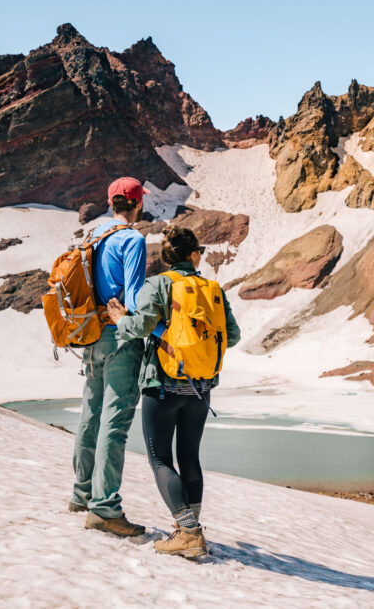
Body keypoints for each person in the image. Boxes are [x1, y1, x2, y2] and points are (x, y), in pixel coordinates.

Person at [107, 226, 240, 559]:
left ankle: (189, 534)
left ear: (167, 257)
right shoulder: (213, 289)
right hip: (201, 387)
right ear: (193, 255)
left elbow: (139, 327)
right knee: (190, 457)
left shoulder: (158, 284)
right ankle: (187, 528)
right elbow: (233, 336)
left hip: (162, 384)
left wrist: (122, 319)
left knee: (160, 459)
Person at [68, 177, 149, 537]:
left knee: (91, 412)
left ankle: (81, 494)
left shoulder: (94, 236)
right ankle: (104, 508)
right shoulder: (132, 239)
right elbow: (132, 299)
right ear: (138, 204)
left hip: (92, 335)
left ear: (110, 201)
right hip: (119, 336)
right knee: (114, 421)